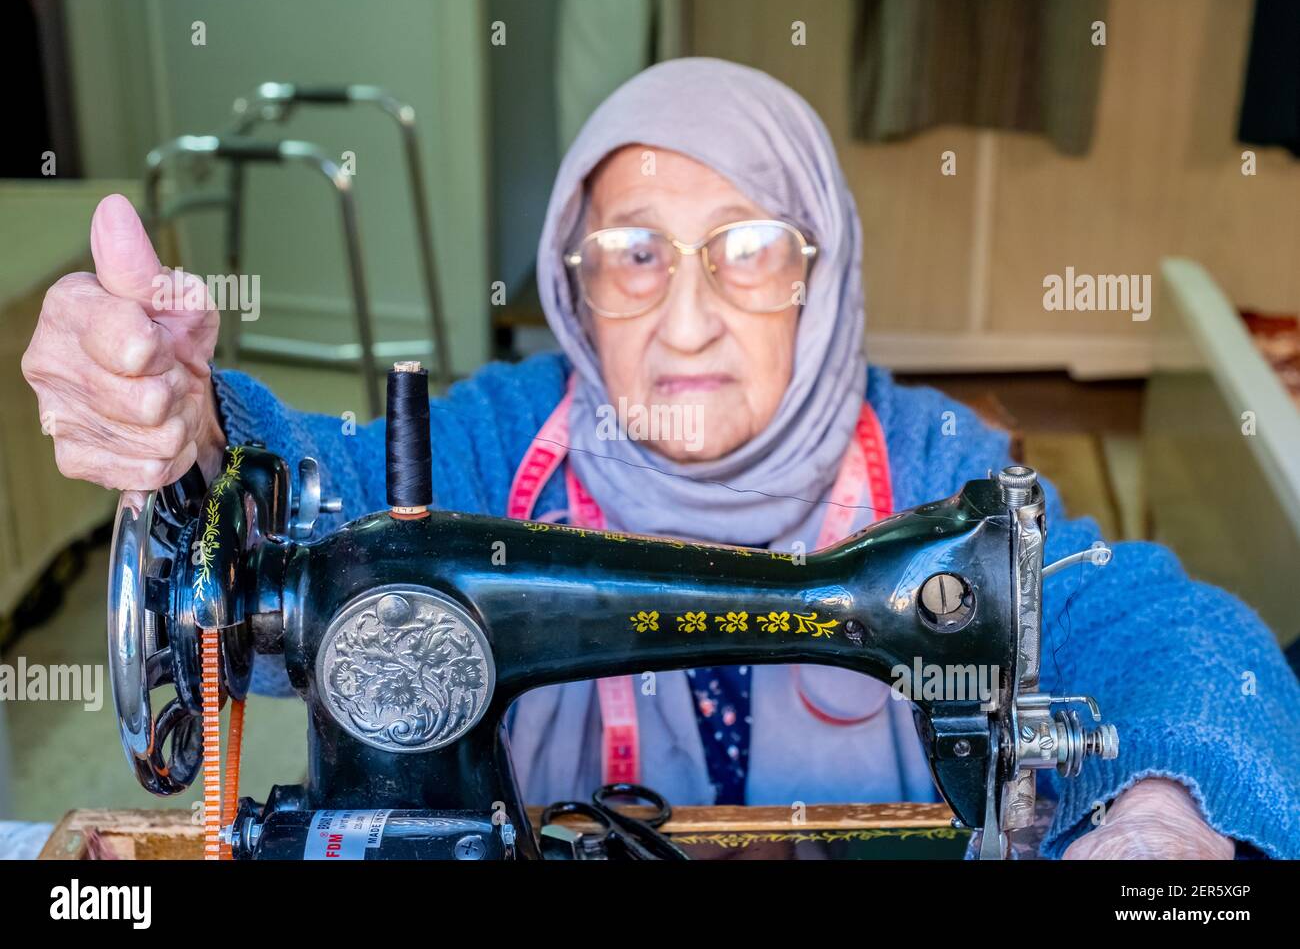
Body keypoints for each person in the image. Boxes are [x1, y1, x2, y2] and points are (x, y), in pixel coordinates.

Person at [22, 58, 1299, 859]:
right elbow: (312, 516)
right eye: (632, 252)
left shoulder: (929, 460)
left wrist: (1162, 809)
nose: (685, 316)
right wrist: (192, 435)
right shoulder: (489, 447)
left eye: (748, 246)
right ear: (571, 289)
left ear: (823, 271)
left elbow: (1141, 619)